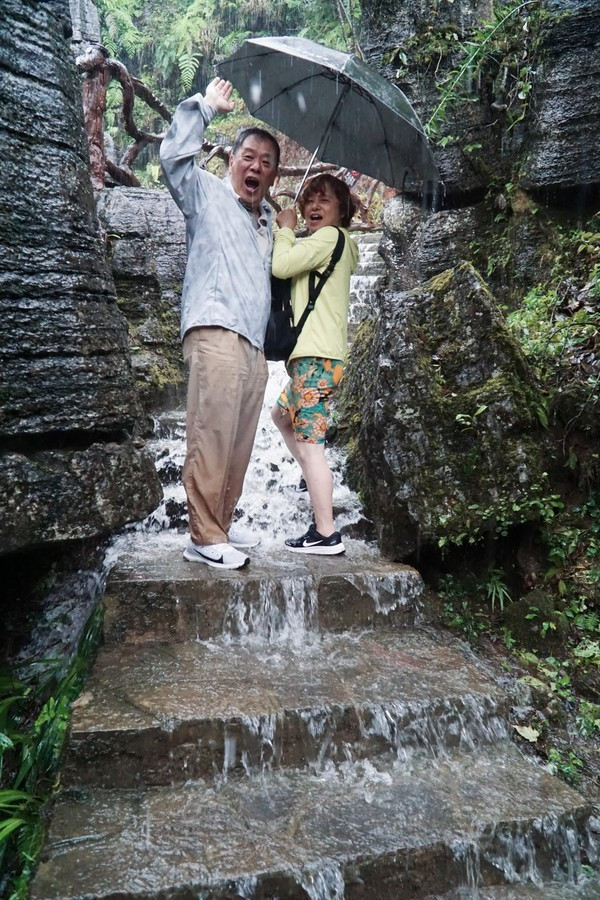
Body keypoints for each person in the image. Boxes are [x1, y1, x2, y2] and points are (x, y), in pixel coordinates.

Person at [160, 77, 280, 569]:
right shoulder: (205, 194)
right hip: (215, 328)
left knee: (239, 438)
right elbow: (171, 159)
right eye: (248, 157)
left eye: (267, 163)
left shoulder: (269, 218)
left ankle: (220, 524)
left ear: (273, 176)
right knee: (212, 432)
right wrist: (204, 108)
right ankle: (203, 535)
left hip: (253, 342)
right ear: (231, 161)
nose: (256, 167)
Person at [271, 174, 359, 555]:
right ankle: (314, 471)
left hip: (316, 358)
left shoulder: (328, 238)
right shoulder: (332, 245)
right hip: (316, 359)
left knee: (311, 444)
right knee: (281, 416)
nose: (312, 206)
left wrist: (286, 230)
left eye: (324, 199)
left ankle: (326, 533)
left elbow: (282, 266)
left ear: (342, 208)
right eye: (307, 200)